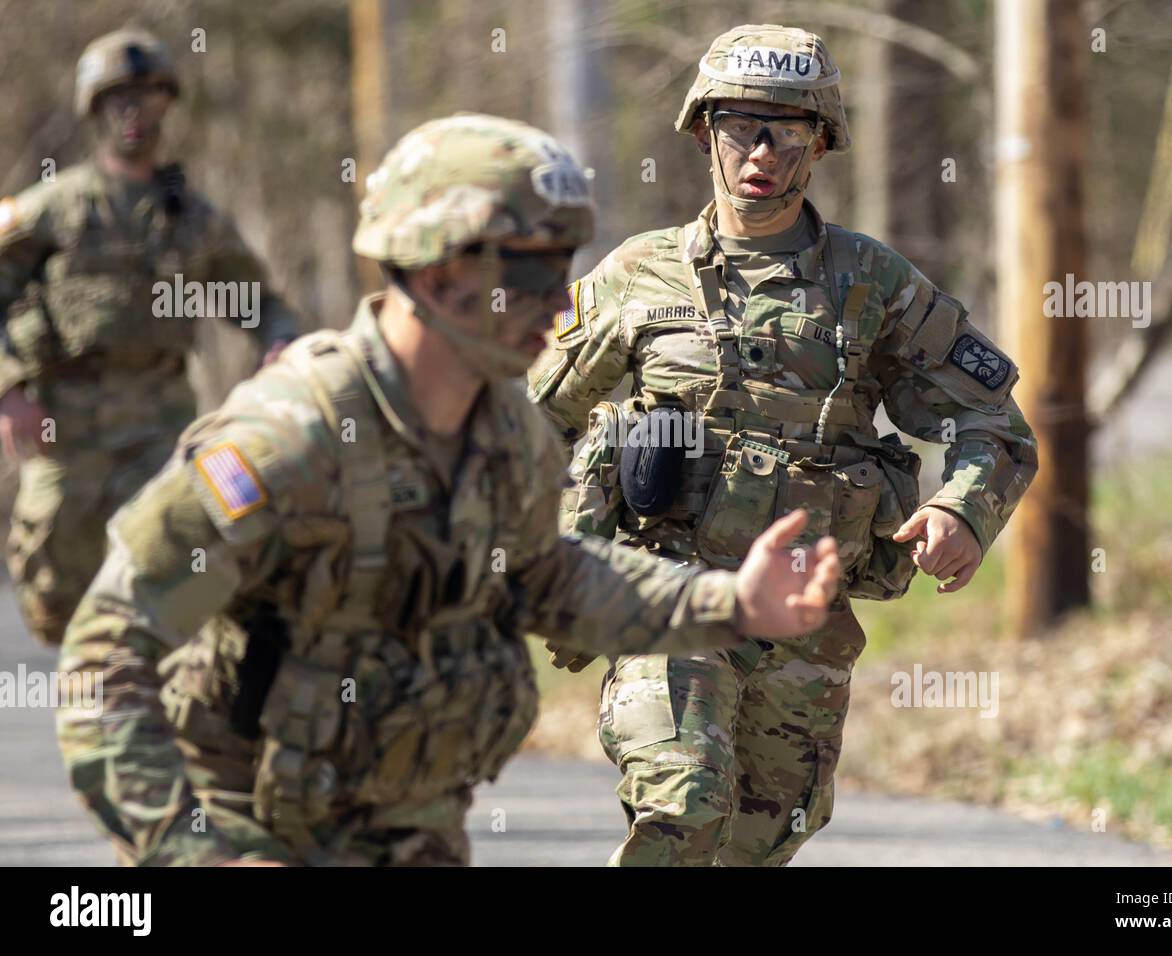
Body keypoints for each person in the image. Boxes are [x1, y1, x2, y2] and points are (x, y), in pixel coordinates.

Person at [55, 113, 842, 867]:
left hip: (410, 835)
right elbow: (105, 652)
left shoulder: (505, 431)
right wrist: (196, 854)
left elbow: (547, 576)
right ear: (438, 270)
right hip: (253, 834)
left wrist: (730, 603)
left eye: (563, 265)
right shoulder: (289, 438)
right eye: (531, 270)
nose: (556, 299)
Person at [527, 24, 1039, 866]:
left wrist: (962, 510)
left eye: (788, 131)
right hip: (670, 600)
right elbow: (530, 425)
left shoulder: (873, 285)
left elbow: (991, 424)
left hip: (803, 623)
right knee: (684, 806)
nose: (760, 152)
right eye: (739, 128)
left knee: (756, 847)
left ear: (822, 144)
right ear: (703, 134)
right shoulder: (636, 275)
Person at [0, 28, 296, 645]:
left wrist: (281, 346)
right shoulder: (53, 208)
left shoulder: (192, 219)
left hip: (162, 428)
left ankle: (156, 723)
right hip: (67, 432)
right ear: (95, 109)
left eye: (150, 98)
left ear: (168, 106)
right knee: (57, 603)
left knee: (177, 586)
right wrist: (10, 391)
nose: (135, 115)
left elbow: (257, 300)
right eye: (119, 100)